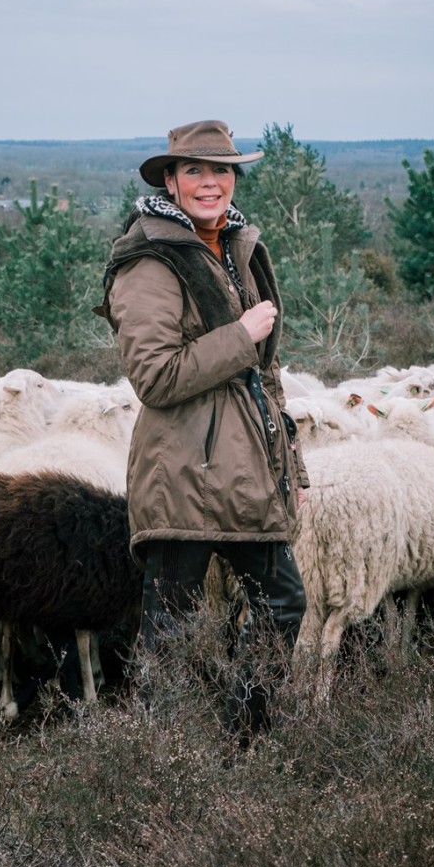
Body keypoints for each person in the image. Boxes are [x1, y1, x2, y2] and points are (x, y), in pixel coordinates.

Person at [96, 119, 308, 733]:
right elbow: (156, 376)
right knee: (171, 627)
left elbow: (264, 379)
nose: (210, 182)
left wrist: (289, 465)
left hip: (247, 470)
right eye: (195, 170)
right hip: (185, 472)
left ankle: (245, 735)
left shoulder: (235, 248)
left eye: (221, 170)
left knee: (283, 603)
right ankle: (164, 755)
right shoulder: (151, 261)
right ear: (171, 179)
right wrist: (240, 336)